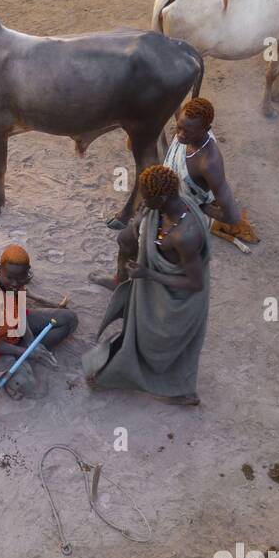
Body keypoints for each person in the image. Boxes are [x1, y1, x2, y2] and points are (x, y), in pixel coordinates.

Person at [83, 165, 210, 405]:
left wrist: (149, 274)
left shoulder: (185, 234)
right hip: (152, 288)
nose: (142, 200)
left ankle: (181, 392)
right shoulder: (159, 211)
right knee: (138, 334)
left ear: (161, 198)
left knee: (159, 347)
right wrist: (138, 222)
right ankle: (121, 371)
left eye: (146, 196)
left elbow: (195, 283)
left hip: (178, 300)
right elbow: (129, 238)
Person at [0, 245, 77, 399]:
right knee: (30, 386)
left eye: (21, 278)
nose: (15, 283)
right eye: (11, 279)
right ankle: (18, 359)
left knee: (69, 320)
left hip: (10, 320)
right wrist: (27, 351)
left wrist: (31, 342)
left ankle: (21, 356)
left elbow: (20, 309)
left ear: (27, 272)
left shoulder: (15, 277)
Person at [163, 97, 254, 243]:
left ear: (205, 129)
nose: (180, 134)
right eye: (179, 127)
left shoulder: (209, 163)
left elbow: (233, 216)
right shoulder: (186, 131)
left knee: (163, 244)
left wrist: (203, 208)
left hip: (184, 214)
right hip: (169, 199)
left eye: (188, 131)